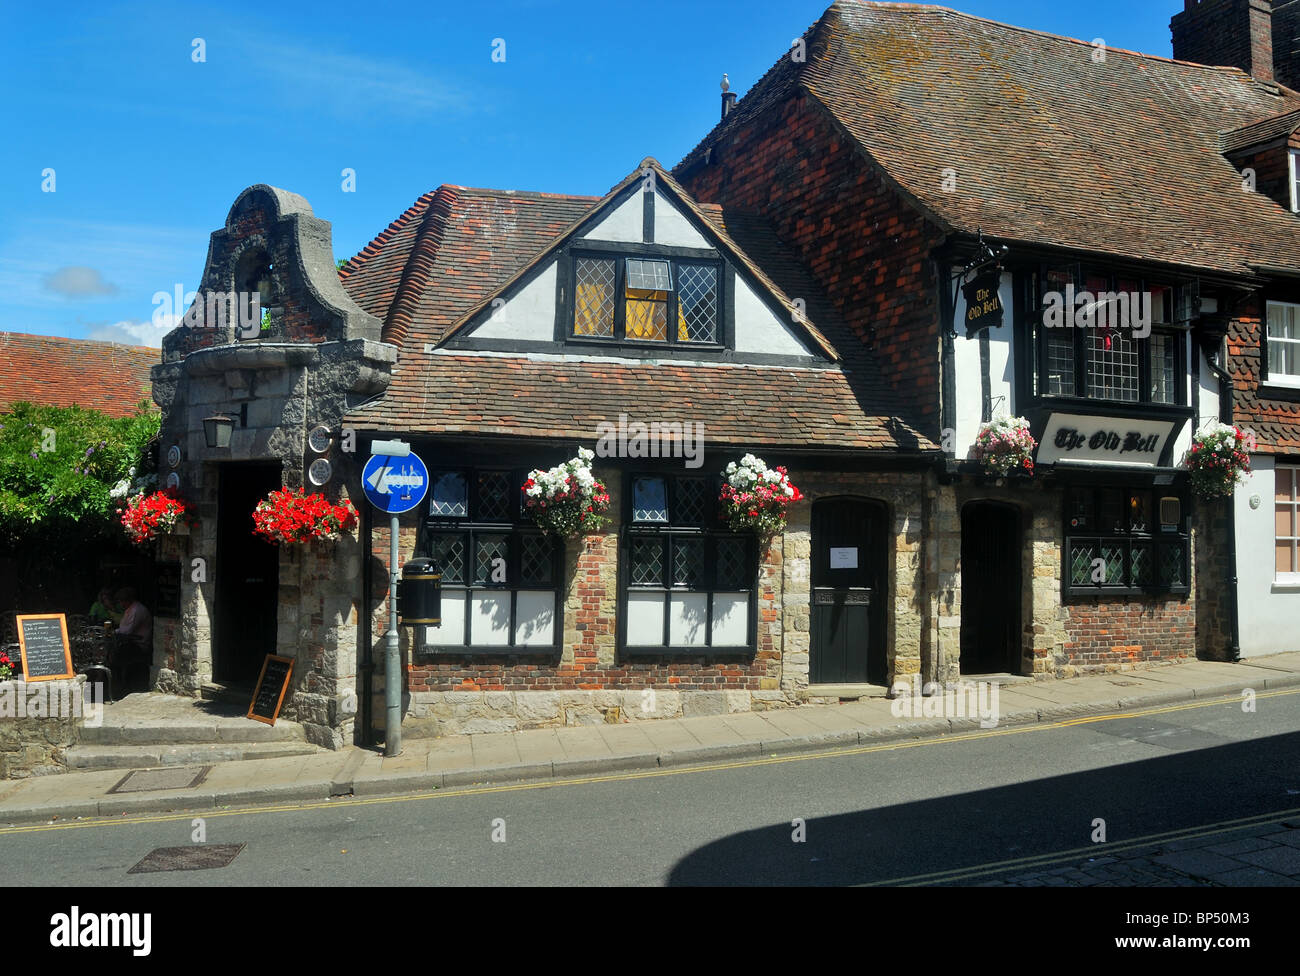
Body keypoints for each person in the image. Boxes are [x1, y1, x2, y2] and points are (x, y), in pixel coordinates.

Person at [110, 587, 153, 694]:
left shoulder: (136, 610)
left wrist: (114, 632)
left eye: (121, 601)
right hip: (132, 641)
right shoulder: (130, 609)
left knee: (113, 656)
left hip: (139, 645)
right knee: (111, 651)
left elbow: (127, 631)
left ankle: (118, 685)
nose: (120, 604)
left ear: (126, 600)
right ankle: (115, 683)